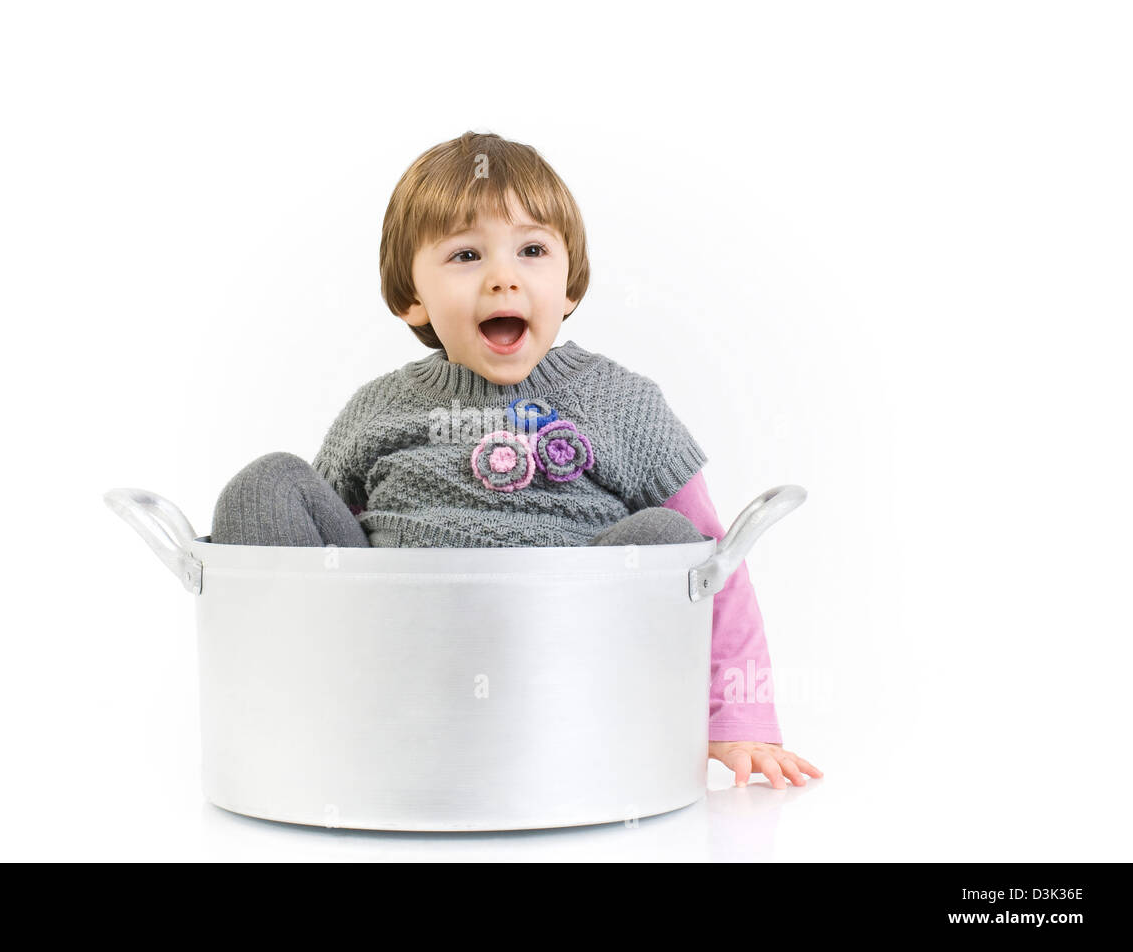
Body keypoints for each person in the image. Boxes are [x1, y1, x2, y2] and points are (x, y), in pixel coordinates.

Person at [212, 131, 822, 790]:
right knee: (266, 486)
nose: (504, 276)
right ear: (411, 297)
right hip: (390, 668)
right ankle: (306, 726)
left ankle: (579, 738)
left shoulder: (622, 404)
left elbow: (717, 564)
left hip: (568, 676)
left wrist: (740, 721)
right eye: (467, 255)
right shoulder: (377, 411)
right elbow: (315, 552)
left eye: (532, 250)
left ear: (568, 287)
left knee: (672, 541)